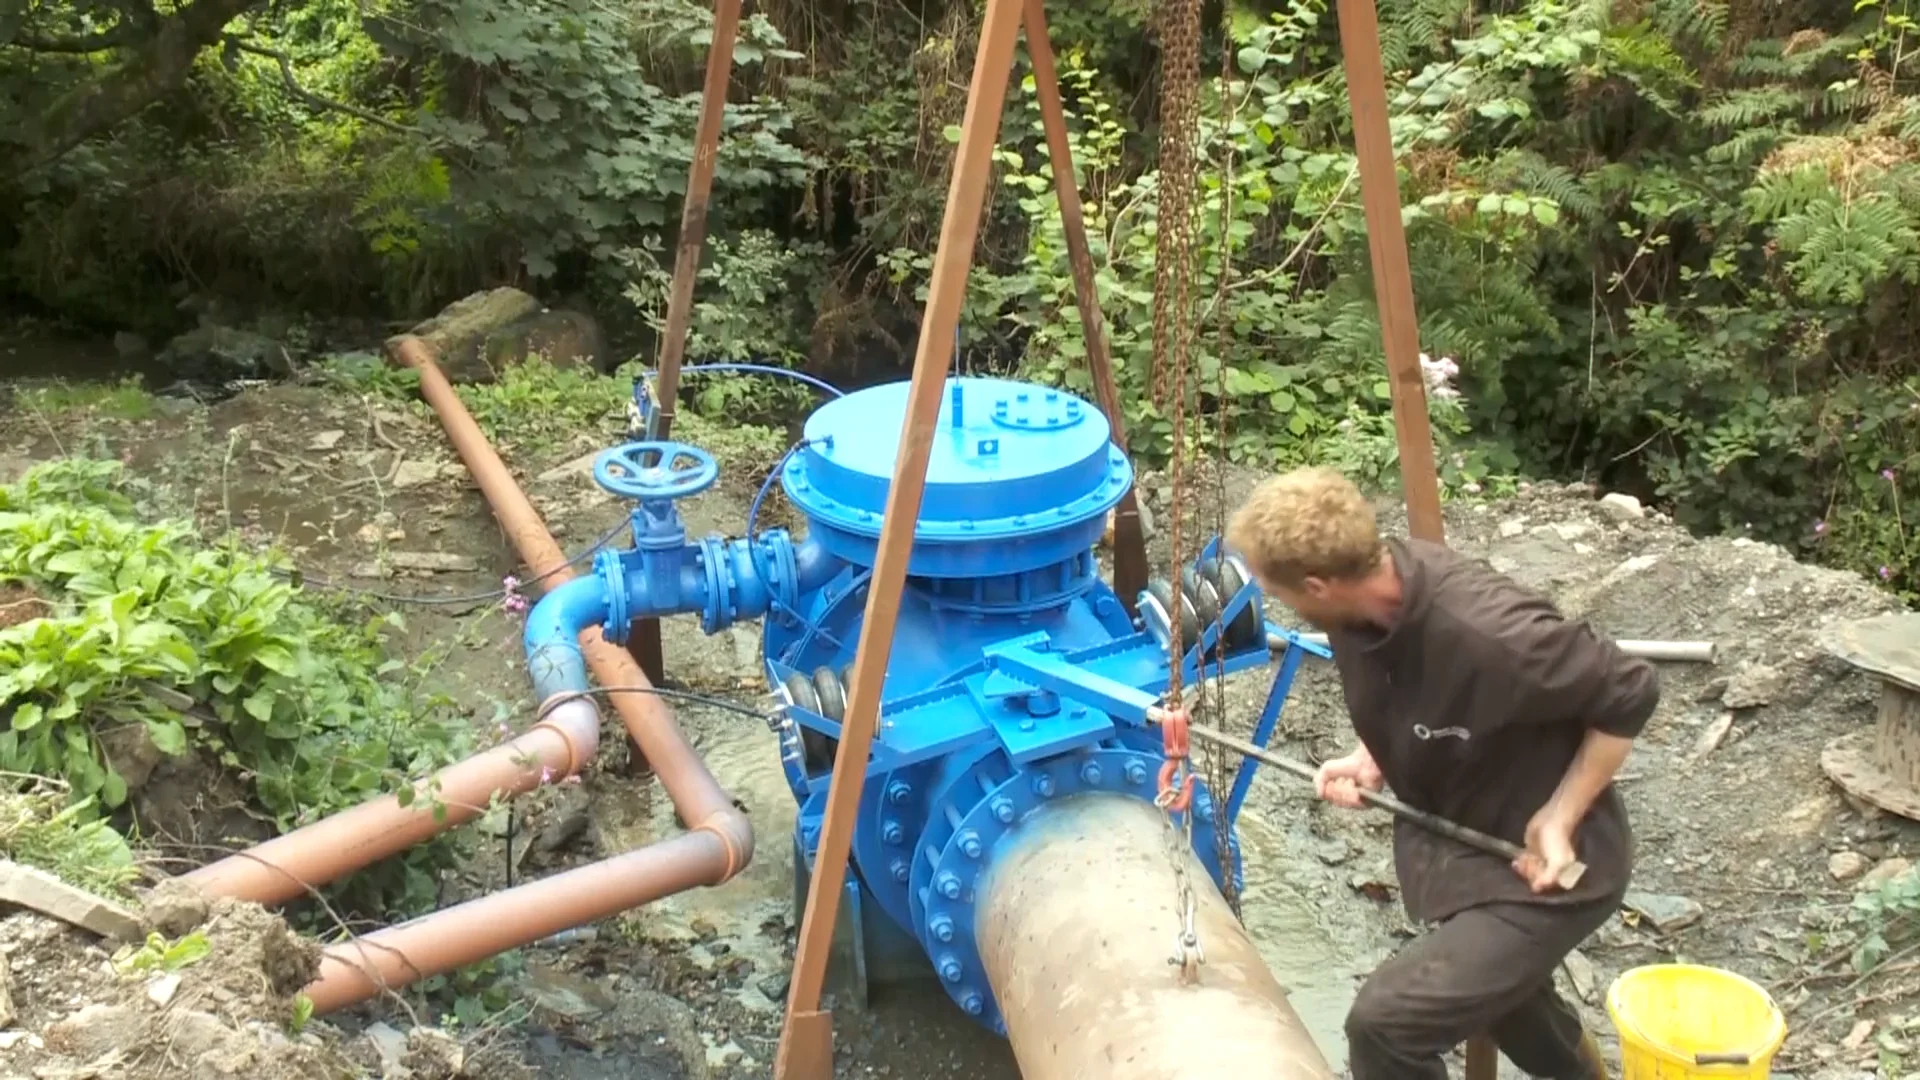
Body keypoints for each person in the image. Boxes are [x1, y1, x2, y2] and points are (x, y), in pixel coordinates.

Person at [1195, 466, 1655, 1080]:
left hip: (1552, 865)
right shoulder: (1357, 604)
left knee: (1386, 1027)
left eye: (1281, 595)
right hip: (1462, 835)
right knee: (1507, 1001)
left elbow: (1631, 694)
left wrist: (1561, 816)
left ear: (1317, 584)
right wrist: (1372, 759)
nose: (1282, 607)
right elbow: (1417, 695)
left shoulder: (1493, 632)